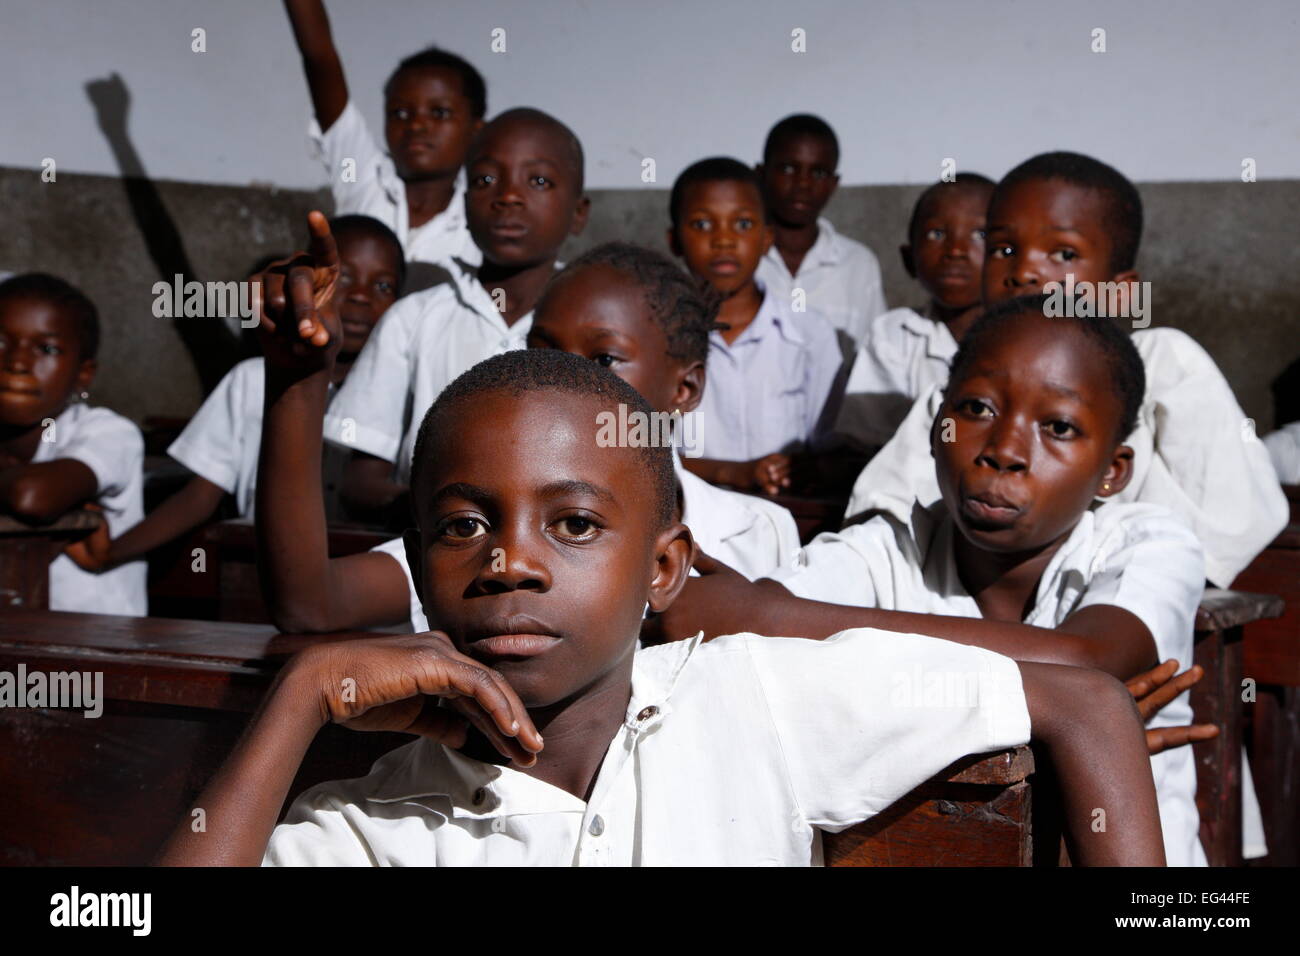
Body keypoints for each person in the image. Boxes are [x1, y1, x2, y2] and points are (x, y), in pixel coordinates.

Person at [155, 248, 1165, 864]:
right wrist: (301, 694)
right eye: (463, 527)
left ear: (665, 567)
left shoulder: (752, 697)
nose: (510, 562)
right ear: (417, 563)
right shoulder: (380, 818)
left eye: (576, 525)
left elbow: (1083, 697)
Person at [0, 273, 146, 615]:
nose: (17, 364)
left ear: (83, 373)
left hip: (98, 649)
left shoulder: (108, 432)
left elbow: (32, 496)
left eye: (47, 349)